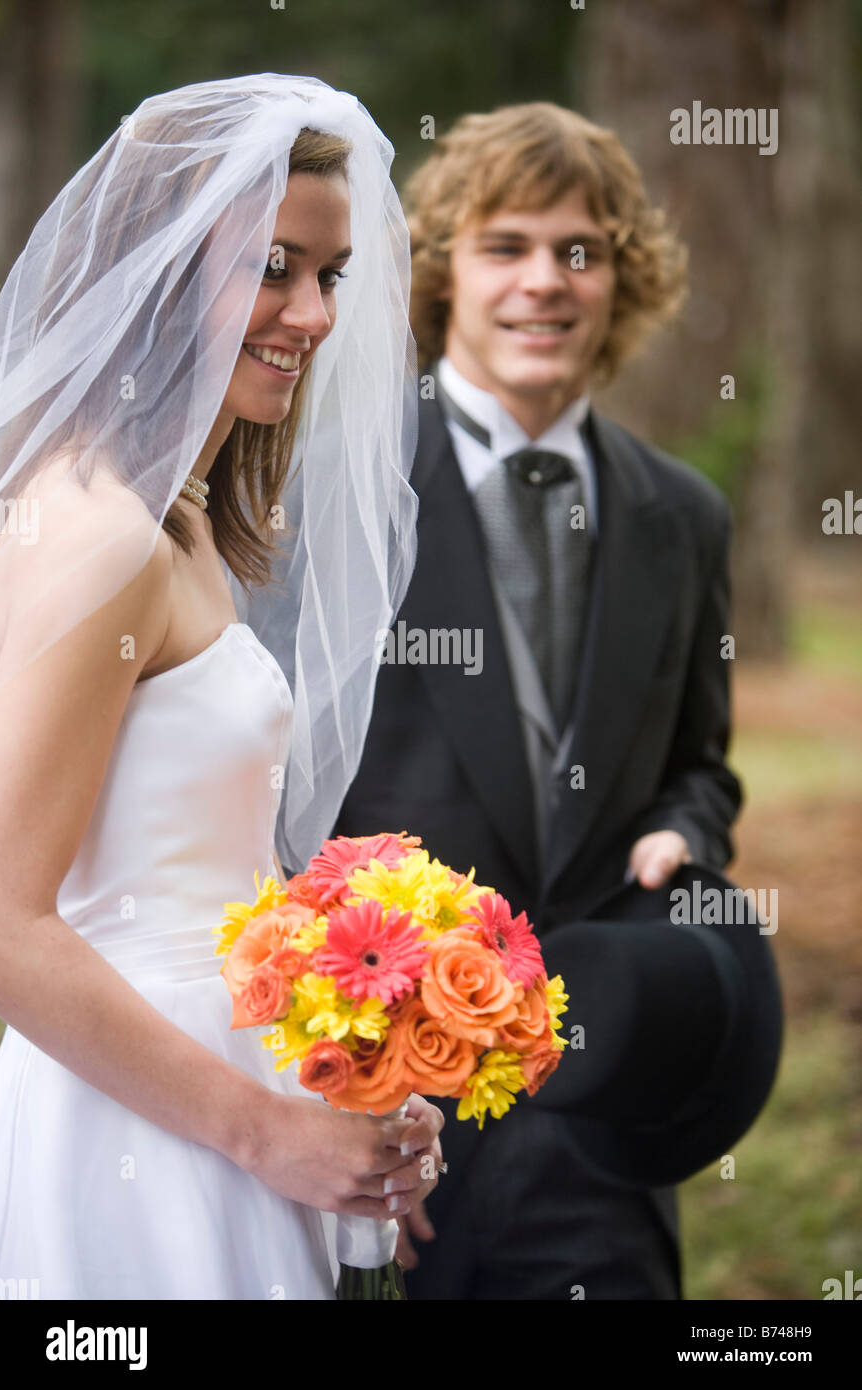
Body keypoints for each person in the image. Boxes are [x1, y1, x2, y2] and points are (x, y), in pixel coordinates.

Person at [0, 75, 442, 1300]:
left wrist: (355, 1073)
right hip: (139, 1125)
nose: (310, 312)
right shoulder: (103, 537)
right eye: (273, 267)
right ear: (156, 268)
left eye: (332, 274)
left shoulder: (179, 521)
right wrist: (266, 1133)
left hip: (231, 1088)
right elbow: (5, 920)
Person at [333, 102, 782, 1299]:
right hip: (381, 1107)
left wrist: (688, 829)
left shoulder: (682, 514)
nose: (546, 282)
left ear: (619, 276)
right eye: (506, 246)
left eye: (579, 251)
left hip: (600, 1117)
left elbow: (700, 762)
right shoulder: (337, 490)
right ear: (441, 271)